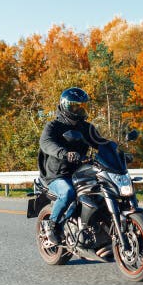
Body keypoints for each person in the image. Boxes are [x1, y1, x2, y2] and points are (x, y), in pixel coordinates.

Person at [38, 87, 105, 245]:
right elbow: (46, 143)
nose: (79, 109)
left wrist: (117, 151)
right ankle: (52, 225)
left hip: (80, 172)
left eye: (82, 105)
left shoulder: (85, 127)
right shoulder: (53, 126)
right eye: (75, 105)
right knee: (68, 193)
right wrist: (64, 153)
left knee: (102, 188)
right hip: (56, 174)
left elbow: (100, 142)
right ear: (65, 105)